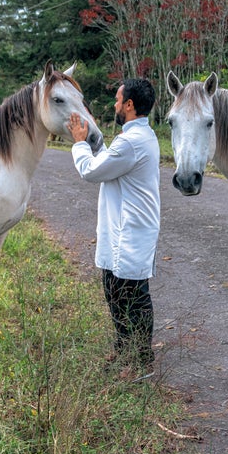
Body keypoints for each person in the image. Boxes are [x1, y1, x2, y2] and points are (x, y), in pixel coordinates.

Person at [67, 78, 161, 379]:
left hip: (131, 231)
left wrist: (80, 143)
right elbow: (111, 160)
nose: (115, 105)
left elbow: (91, 171)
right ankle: (124, 350)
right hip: (124, 229)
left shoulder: (131, 142)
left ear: (130, 105)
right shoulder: (137, 138)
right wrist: (93, 142)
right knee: (114, 290)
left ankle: (142, 361)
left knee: (133, 296)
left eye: (118, 100)